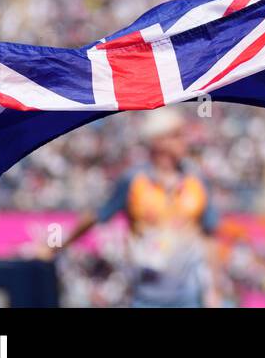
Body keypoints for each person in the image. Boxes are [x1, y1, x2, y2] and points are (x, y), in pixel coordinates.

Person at [54, 108, 222, 307]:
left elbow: (209, 236)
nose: (185, 141)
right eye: (177, 136)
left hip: (187, 296)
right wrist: (59, 245)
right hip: (145, 295)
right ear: (158, 141)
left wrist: (213, 290)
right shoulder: (134, 180)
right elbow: (98, 215)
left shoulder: (197, 181)